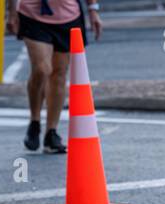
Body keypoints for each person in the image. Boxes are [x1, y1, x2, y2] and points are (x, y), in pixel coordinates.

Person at [7, 0, 104, 154]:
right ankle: (35, 120)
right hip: (32, 15)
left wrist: (93, 10)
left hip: (68, 16)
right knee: (42, 69)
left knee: (59, 74)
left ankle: (51, 132)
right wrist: (11, 12)